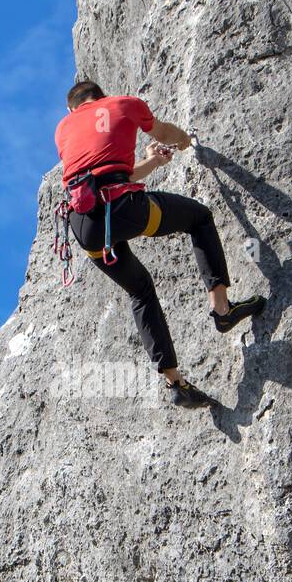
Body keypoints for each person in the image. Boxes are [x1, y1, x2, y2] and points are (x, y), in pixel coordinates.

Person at [54, 80, 266, 407]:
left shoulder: (64, 128)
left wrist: (151, 163)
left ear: (71, 108)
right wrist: (186, 141)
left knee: (140, 290)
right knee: (199, 218)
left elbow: (105, 177)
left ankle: (176, 382)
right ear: (101, 96)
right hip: (124, 210)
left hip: (85, 228)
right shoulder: (123, 104)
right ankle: (222, 309)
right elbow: (164, 133)